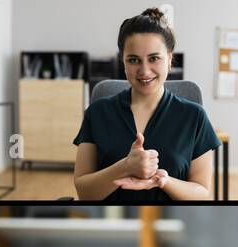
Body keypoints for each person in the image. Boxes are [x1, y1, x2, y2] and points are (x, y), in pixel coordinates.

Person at [73, 7, 219, 201]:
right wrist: (125, 167)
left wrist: (164, 181)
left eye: (154, 58)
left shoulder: (195, 117)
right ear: (123, 62)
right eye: (134, 60)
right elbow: (84, 193)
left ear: (169, 59)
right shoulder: (98, 112)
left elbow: (202, 194)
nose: (144, 71)